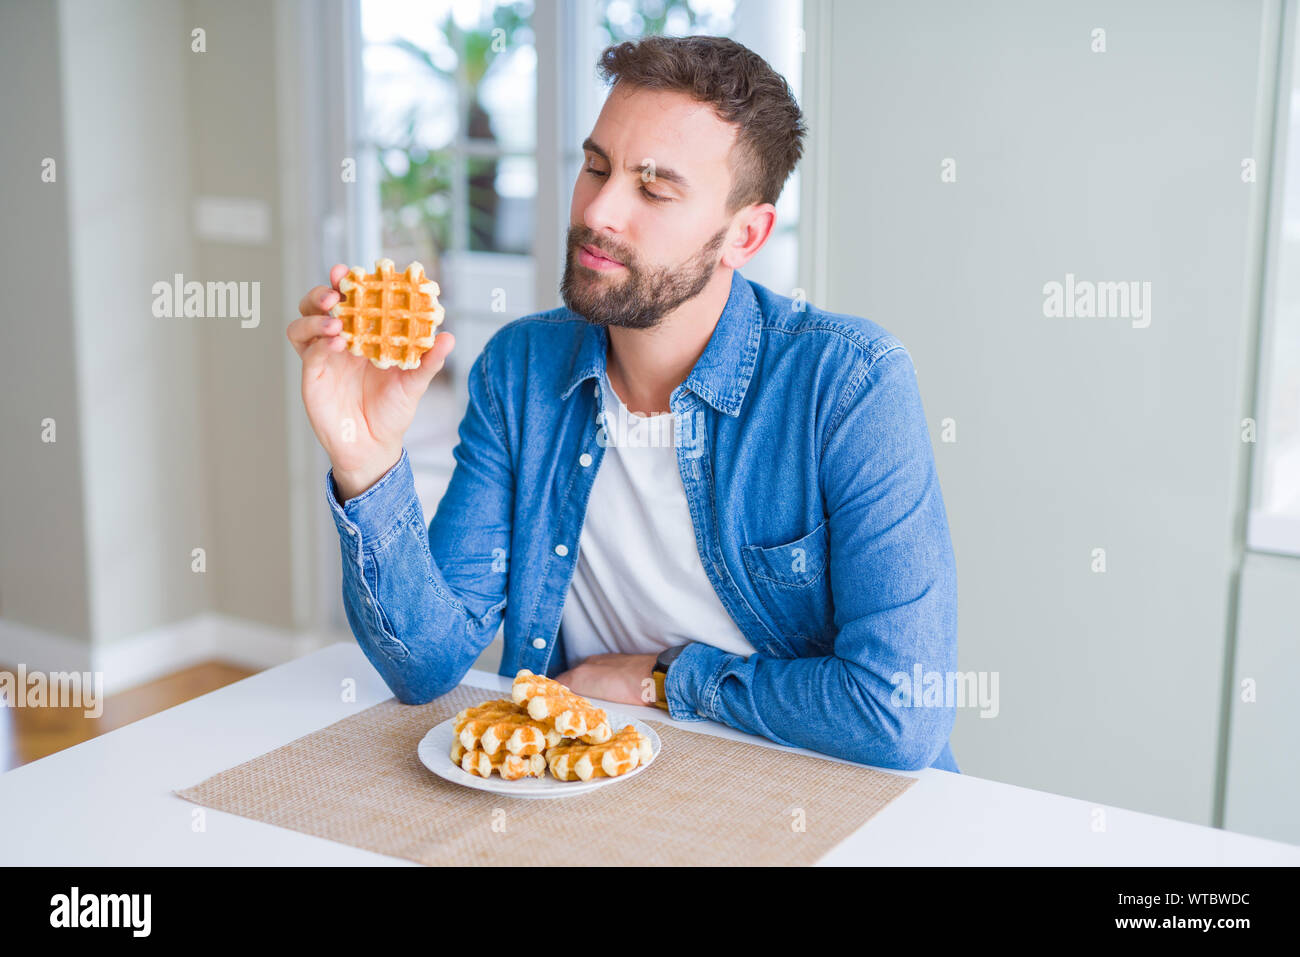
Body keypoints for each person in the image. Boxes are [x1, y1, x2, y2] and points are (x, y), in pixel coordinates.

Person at [287, 35, 959, 772]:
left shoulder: (851, 387)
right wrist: (367, 461)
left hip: (807, 792)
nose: (598, 210)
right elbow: (427, 663)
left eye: (654, 188)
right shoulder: (522, 369)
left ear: (746, 234)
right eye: (596, 166)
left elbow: (901, 712)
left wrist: (662, 678)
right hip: (589, 784)